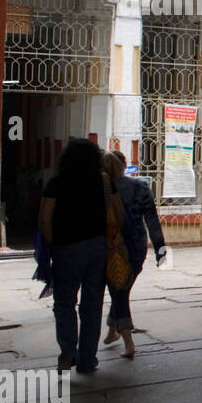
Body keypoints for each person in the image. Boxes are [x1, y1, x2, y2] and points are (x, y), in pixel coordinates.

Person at [39, 138, 124, 373]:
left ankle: (67, 354)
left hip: (66, 249)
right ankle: (87, 360)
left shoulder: (57, 183)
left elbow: (44, 219)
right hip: (98, 248)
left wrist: (53, 244)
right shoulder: (104, 182)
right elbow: (120, 214)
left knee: (65, 302)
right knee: (92, 304)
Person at [101, 150, 167, 357]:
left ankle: (128, 342)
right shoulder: (141, 187)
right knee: (121, 289)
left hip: (112, 247)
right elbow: (152, 220)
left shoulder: (101, 189)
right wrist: (160, 249)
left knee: (119, 293)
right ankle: (113, 330)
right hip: (137, 248)